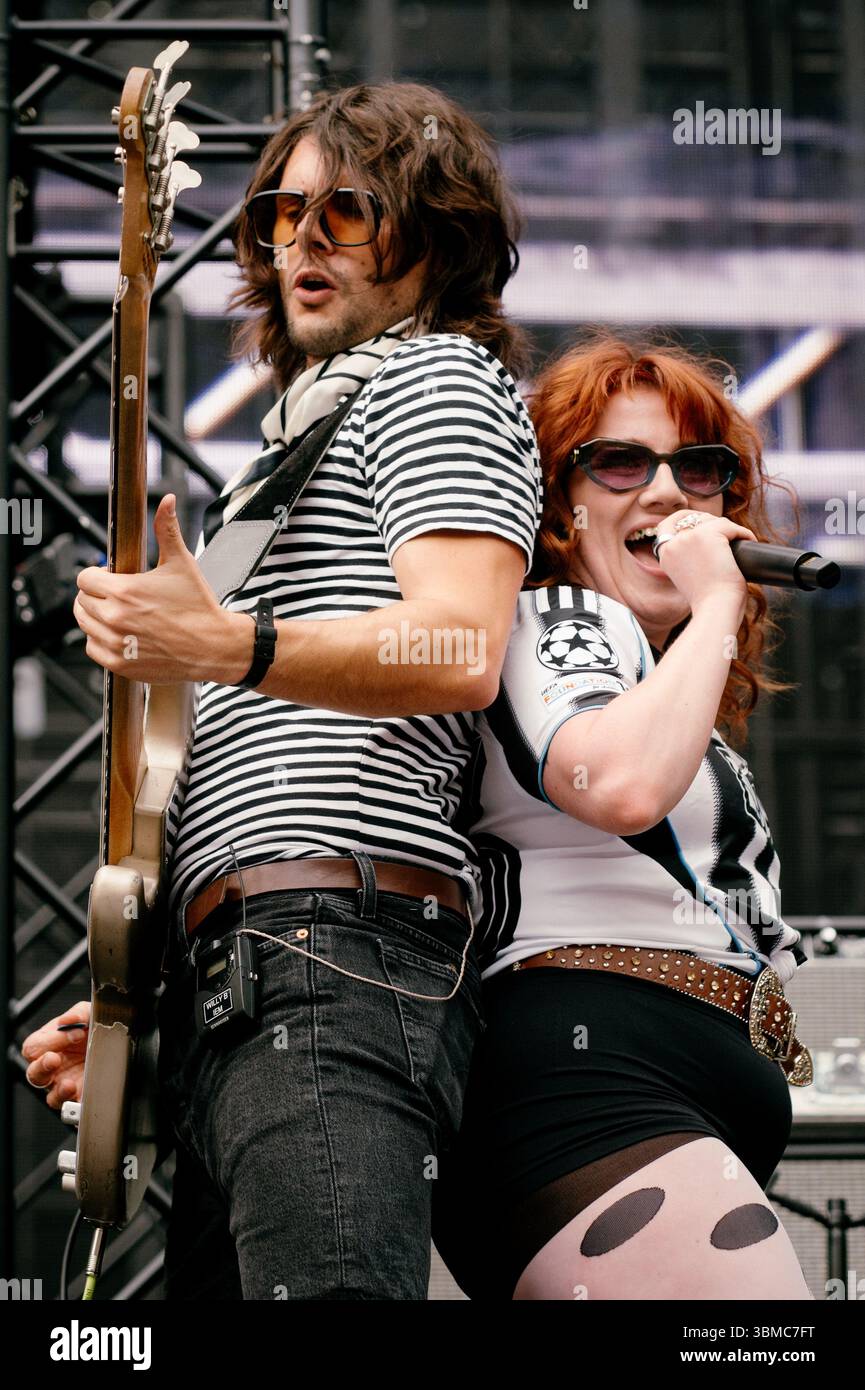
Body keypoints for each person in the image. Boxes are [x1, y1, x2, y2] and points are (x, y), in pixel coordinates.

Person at [20, 81, 542, 1301]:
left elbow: (458, 647)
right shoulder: (300, 435)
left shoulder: (437, 384)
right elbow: (218, 769)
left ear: (434, 233)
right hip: (251, 968)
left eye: (345, 212)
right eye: (277, 214)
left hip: (335, 947)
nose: (299, 240)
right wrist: (134, 1001)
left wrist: (231, 644)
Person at [433, 333, 814, 1301]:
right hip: (593, 1091)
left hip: (636, 1103)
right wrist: (721, 597)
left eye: (698, 469)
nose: (662, 493)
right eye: (616, 462)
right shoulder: (558, 617)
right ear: (559, 500)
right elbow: (617, 784)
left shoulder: (651, 680)